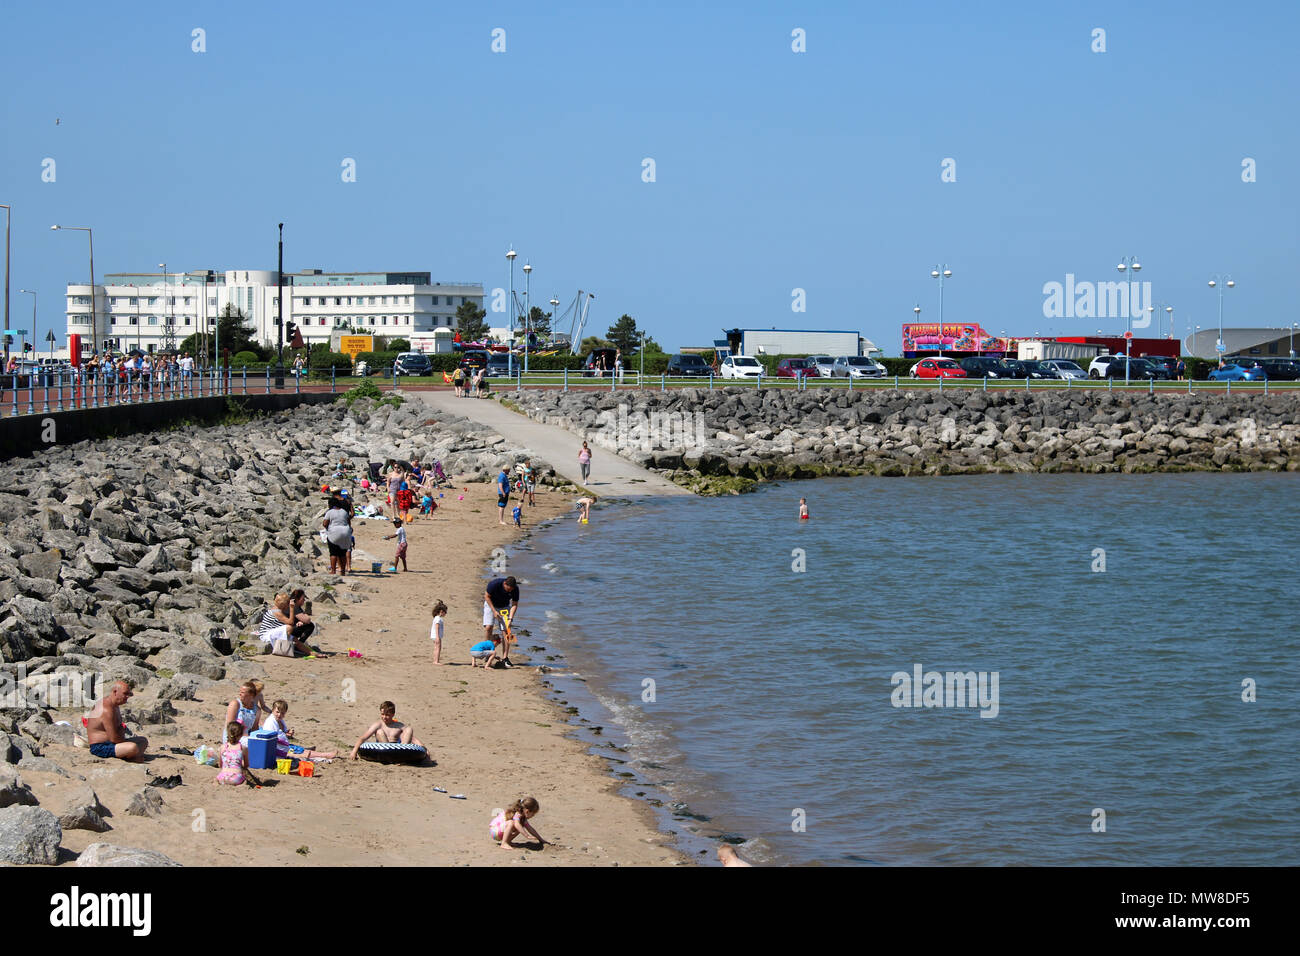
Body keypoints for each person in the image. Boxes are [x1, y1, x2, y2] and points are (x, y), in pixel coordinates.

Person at [84, 679, 148, 761]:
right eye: (125, 694)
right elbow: (113, 738)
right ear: (115, 692)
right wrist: (122, 736)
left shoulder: (114, 705)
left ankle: (131, 755)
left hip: (113, 743)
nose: (127, 697)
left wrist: (122, 733)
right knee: (132, 747)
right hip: (100, 747)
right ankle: (132, 756)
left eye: (129, 694)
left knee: (143, 741)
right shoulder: (106, 709)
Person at [262, 700, 336, 761]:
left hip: (283, 746)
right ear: (272, 710)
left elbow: (281, 733)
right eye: (277, 712)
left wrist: (287, 733)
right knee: (302, 752)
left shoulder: (279, 720)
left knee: (301, 750)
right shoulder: (270, 723)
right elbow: (271, 739)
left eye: (282, 713)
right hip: (278, 749)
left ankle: (324, 754)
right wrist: (285, 736)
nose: (279, 715)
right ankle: (325, 755)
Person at [350, 701, 424, 759]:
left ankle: (402, 756)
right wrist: (354, 751)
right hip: (384, 749)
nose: (384, 717)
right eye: (382, 714)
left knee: (409, 729)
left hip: (398, 749)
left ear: (393, 714)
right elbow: (363, 738)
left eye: (387, 715)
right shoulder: (378, 725)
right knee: (379, 732)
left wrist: (424, 749)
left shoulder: (398, 725)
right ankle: (391, 757)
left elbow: (413, 739)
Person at [482, 576, 519, 668]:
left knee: (507, 631)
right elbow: (486, 596)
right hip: (491, 604)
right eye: (508, 589)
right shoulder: (494, 584)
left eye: (511, 589)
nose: (510, 591)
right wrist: (494, 611)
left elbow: (514, 604)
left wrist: (510, 618)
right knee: (488, 627)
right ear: (505, 584)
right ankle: (487, 653)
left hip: (504, 607)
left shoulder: (515, 589)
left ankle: (505, 657)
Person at [322, 495, 353, 575]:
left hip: (334, 533)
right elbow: (348, 523)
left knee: (333, 553)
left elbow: (325, 523)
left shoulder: (329, 512)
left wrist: (328, 528)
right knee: (342, 553)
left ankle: (333, 571)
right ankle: (343, 571)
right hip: (345, 532)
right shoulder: (344, 511)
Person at [214, 721, 250, 786]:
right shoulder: (242, 748)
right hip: (236, 777)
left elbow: (220, 765)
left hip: (223, 777)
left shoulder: (223, 747)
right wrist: (239, 763)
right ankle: (243, 784)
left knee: (216, 778)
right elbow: (246, 765)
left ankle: (216, 782)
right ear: (241, 735)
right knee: (244, 779)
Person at [430, 600, 448, 665]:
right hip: (436, 636)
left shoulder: (436, 618)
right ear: (441, 612)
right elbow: (436, 627)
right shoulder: (438, 619)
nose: (445, 614)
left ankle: (435, 660)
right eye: (445, 612)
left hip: (434, 636)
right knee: (438, 648)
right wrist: (437, 637)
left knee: (436, 648)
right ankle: (436, 661)